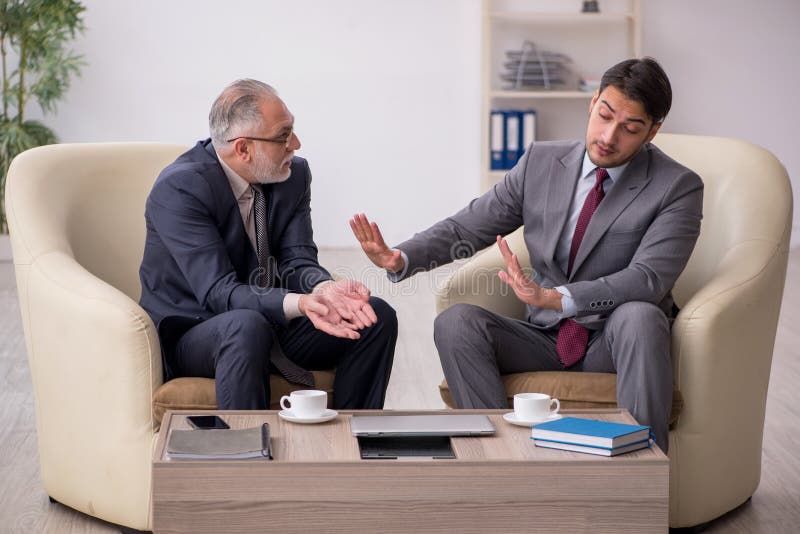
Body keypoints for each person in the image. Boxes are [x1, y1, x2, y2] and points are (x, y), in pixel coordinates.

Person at [351, 58, 702, 452]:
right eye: (604, 115)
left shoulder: (677, 187)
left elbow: (648, 278)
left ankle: (639, 482)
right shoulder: (541, 162)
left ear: (653, 131)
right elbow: (470, 224)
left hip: (613, 339)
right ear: (592, 103)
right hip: (545, 335)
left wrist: (557, 297)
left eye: (630, 128)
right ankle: (498, 466)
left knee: (641, 315)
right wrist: (401, 257)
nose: (608, 135)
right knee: (456, 323)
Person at [140, 79, 397, 410]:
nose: (297, 144)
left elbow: (297, 260)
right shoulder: (180, 189)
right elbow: (219, 292)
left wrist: (322, 289)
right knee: (246, 325)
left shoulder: (293, 176)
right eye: (283, 135)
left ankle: (352, 446)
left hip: (271, 321)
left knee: (374, 316)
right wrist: (301, 304)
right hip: (199, 332)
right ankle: (248, 457)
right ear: (243, 148)